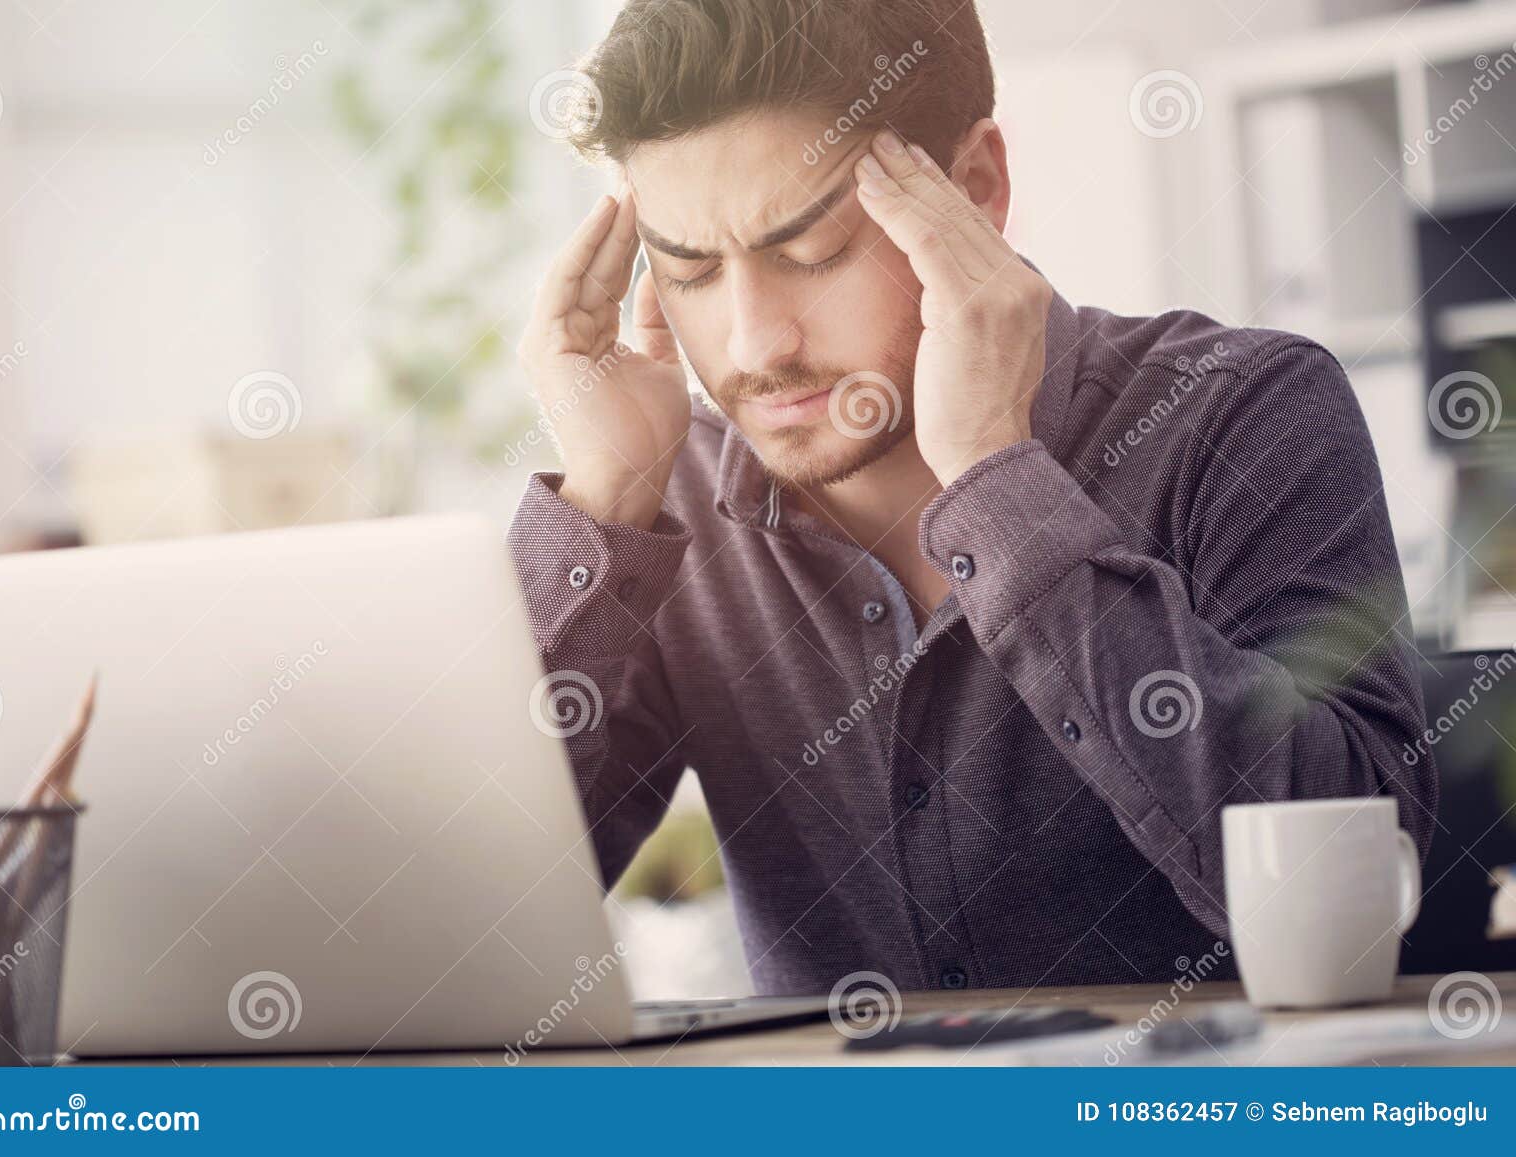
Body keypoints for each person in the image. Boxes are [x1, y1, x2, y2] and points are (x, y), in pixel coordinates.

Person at [507, 0, 1436, 994]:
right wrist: (600, 509)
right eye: (687, 271)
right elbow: (481, 919)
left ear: (977, 187)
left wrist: (998, 480)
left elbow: (1353, 896)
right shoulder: (663, 503)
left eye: (811, 253)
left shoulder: (1241, 410)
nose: (752, 346)